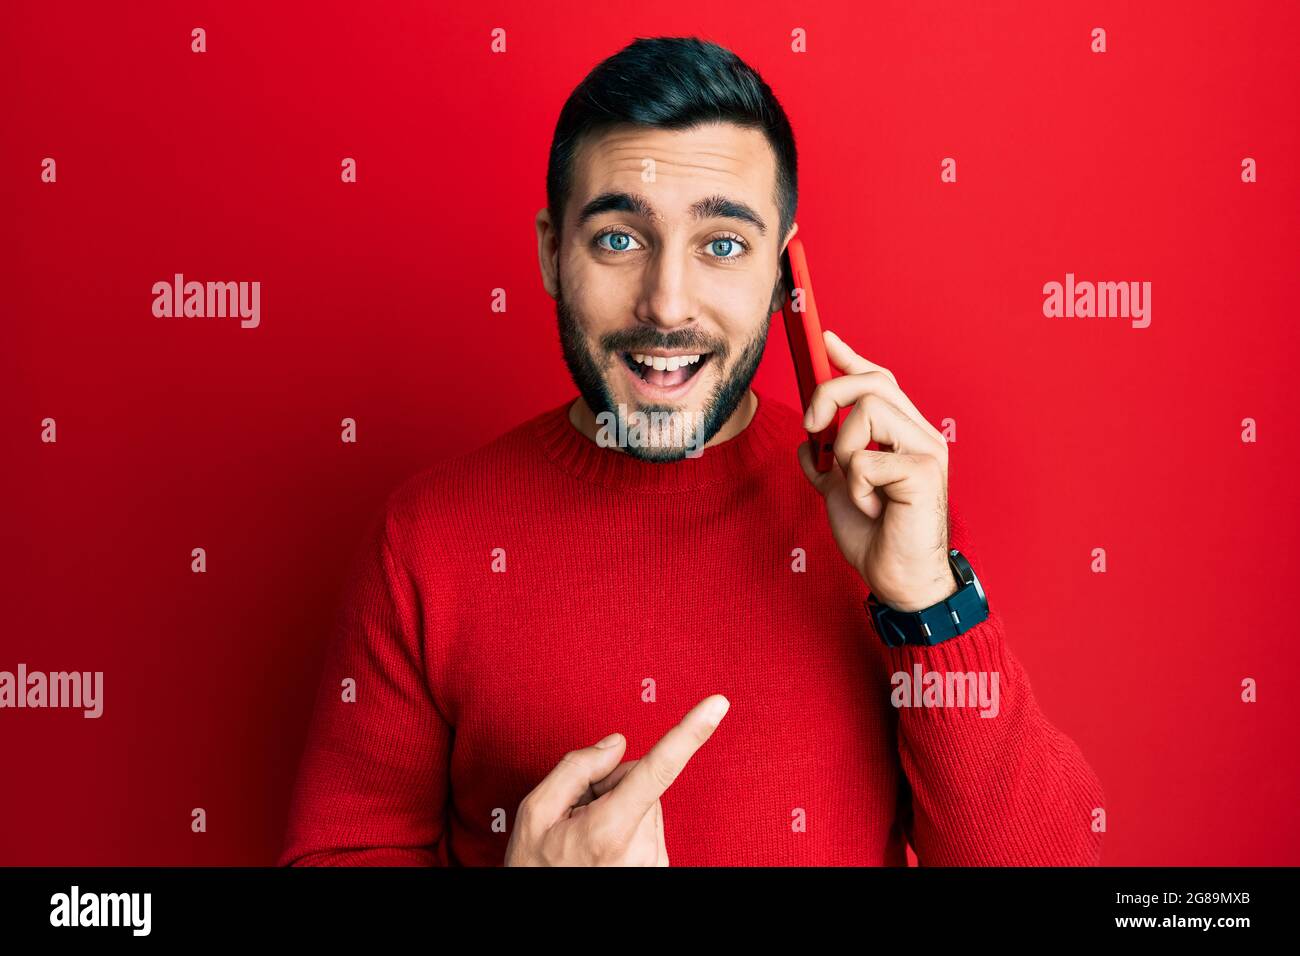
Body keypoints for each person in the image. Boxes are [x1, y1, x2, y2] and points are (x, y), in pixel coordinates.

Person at [278, 35, 1104, 867]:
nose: (668, 304)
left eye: (723, 244)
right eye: (619, 239)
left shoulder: (878, 514)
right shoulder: (428, 541)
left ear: (784, 277)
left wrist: (927, 600)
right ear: (551, 254)